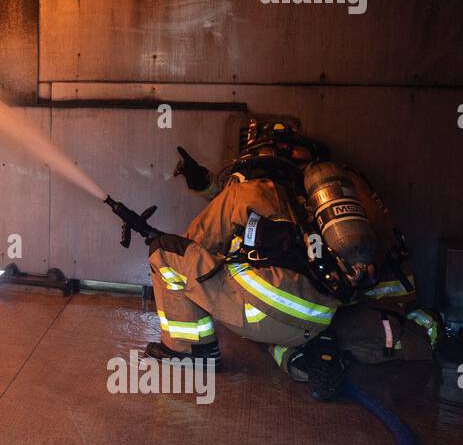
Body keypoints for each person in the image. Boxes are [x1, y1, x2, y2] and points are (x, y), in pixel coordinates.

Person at [105, 120, 441, 401]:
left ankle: (192, 352)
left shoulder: (244, 192)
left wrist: (171, 244)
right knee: (275, 328)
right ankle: (303, 359)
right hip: (325, 315)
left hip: (267, 309)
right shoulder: (311, 203)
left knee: (167, 250)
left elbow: (196, 243)